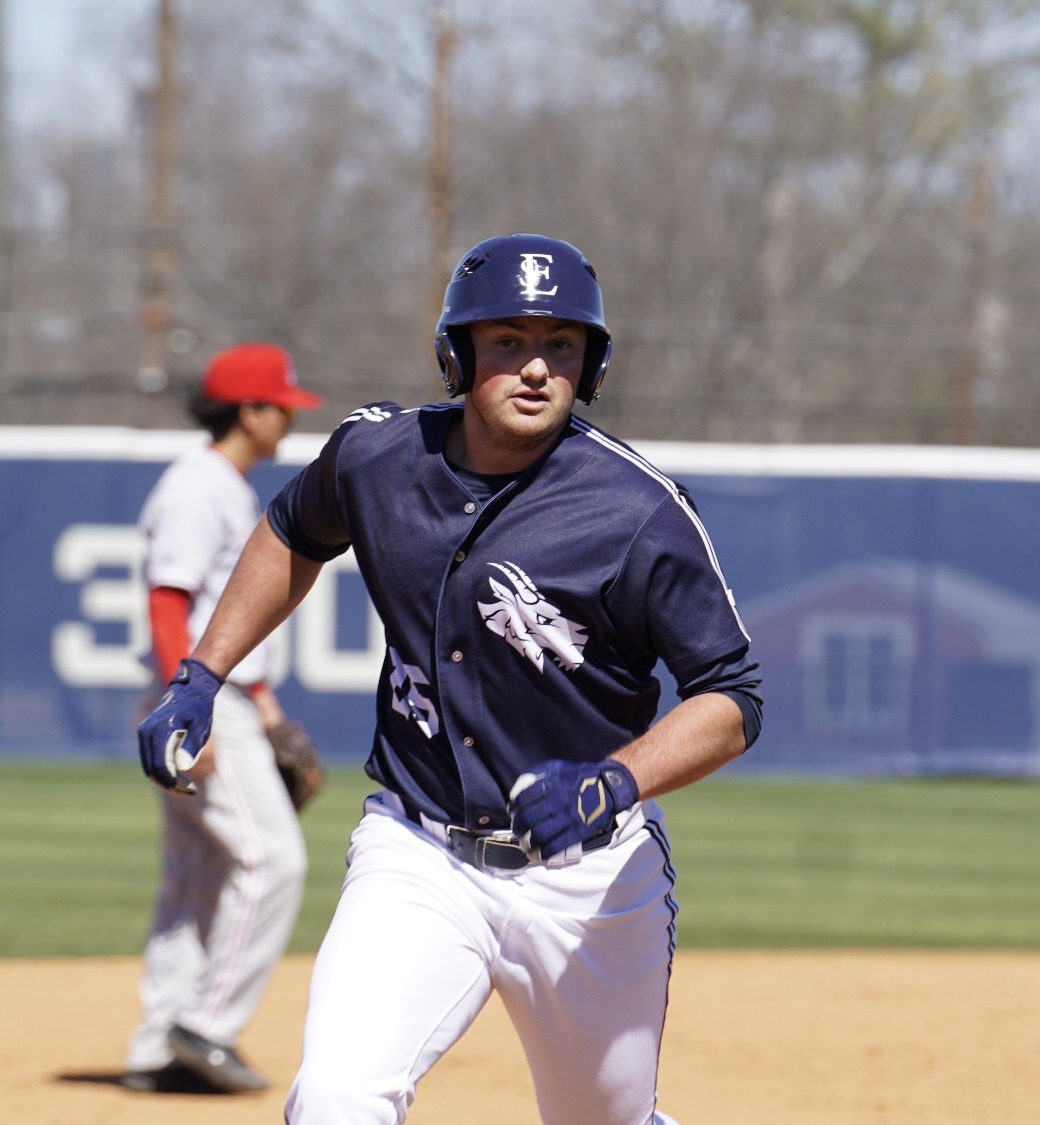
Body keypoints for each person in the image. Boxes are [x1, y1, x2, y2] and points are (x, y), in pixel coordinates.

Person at [137, 233, 763, 1124]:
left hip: (589, 875)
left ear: (590, 366)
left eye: (561, 345)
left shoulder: (638, 511)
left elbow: (733, 695)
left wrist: (616, 780)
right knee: (336, 1100)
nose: (537, 367)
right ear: (455, 353)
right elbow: (292, 531)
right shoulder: (378, 456)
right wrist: (202, 673)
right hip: (420, 850)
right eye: (507, 340)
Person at [121, 341, 324, 1095]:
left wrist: (268, 712)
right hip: (200, 700)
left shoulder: (225, 485)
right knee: (274, 860)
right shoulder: (197, 487)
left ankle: (154, 1045)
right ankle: (205, 1027)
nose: (289, 420)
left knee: (199, 873)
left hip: (218, 698)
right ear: (250, 410)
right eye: (282, 405)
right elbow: (169, 600)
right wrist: (190, 709)